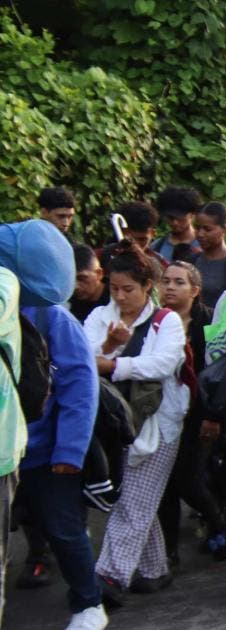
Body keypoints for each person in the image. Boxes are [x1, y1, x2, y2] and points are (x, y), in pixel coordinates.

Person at [1, 219, 104, 628]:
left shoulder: (50, 315)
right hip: (12, 451)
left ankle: (88, 603)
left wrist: (69, 450)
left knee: (65, 530)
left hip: (44, 452)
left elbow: (81, 386)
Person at [85, 242, 189, 603]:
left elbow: (163, 364)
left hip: (160, 424)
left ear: (148, 287)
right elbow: (84, 359)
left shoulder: (167, 321)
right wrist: (110, 346)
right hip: (114, 424)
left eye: (128, 289)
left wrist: (113, 363)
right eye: (114, 288)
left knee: (132, 501)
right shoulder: (100, 317)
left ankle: (110, 576)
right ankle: (154, 570)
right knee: (136, 499)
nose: (120, 296)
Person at [155, 262, 226, 564]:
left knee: (190, 479)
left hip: (201, 414)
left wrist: (214, 416)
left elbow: (219, 372)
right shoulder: (155, 322)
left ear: (195, 290)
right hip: (163, 414)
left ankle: (220, 520)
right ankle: (169, 549)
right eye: (166, 281)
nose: (170, 287)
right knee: (166, 484)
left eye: (179, 282)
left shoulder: (209, 322)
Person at [192, 202, 226, 309]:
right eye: (197, 228)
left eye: (207, 229)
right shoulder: (192, 261)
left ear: (224, 229)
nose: (200, 234)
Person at [100, 201, 168, 272]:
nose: (135, 245)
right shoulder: (103, 256)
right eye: (130, 240)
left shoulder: (161, 264)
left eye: (142, 240)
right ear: (121, 232)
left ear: (153, 234)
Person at [150, 186, 203, 263]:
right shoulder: (156, 247)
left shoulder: (204, 245)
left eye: (180, 217)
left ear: (192, 214)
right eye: (170, 218)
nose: (175, 222)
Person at [71, 244, 109, 323]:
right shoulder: (69, 304)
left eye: (82, 279)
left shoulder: (117, 299)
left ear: (99, 274)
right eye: (71, 280)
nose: (75, 286)